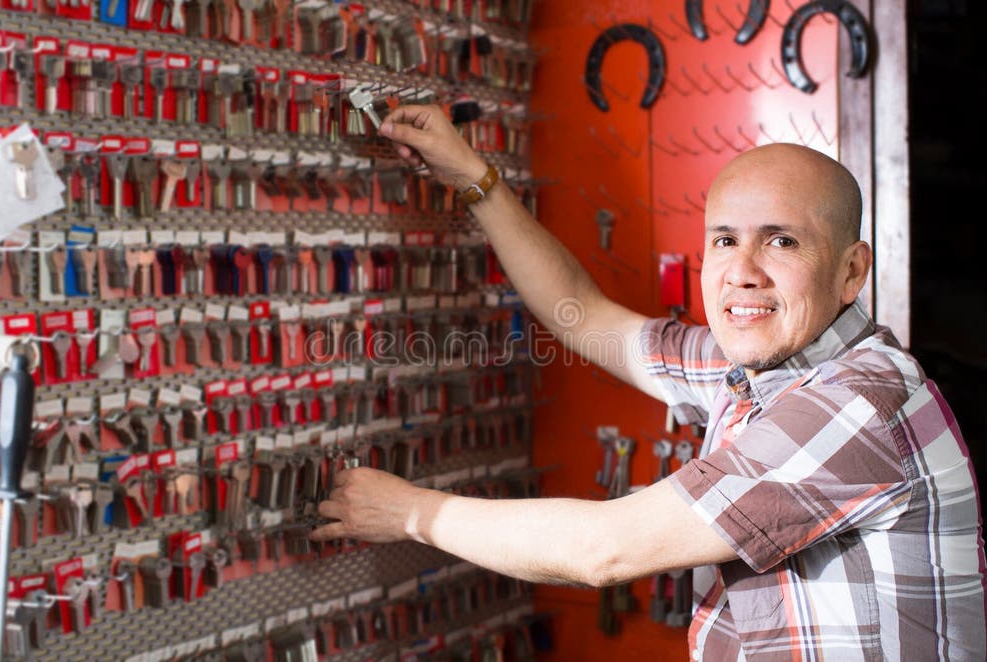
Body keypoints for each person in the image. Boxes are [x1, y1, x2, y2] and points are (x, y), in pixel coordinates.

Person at [310, 105, 987, 660]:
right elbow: (583, 315)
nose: (742, 270)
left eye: (782, 241)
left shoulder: (859, 404)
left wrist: (406, 513)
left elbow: (605, 550)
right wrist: (474, 180)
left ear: (851, 270)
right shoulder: (751, 370)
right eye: (725, 240)